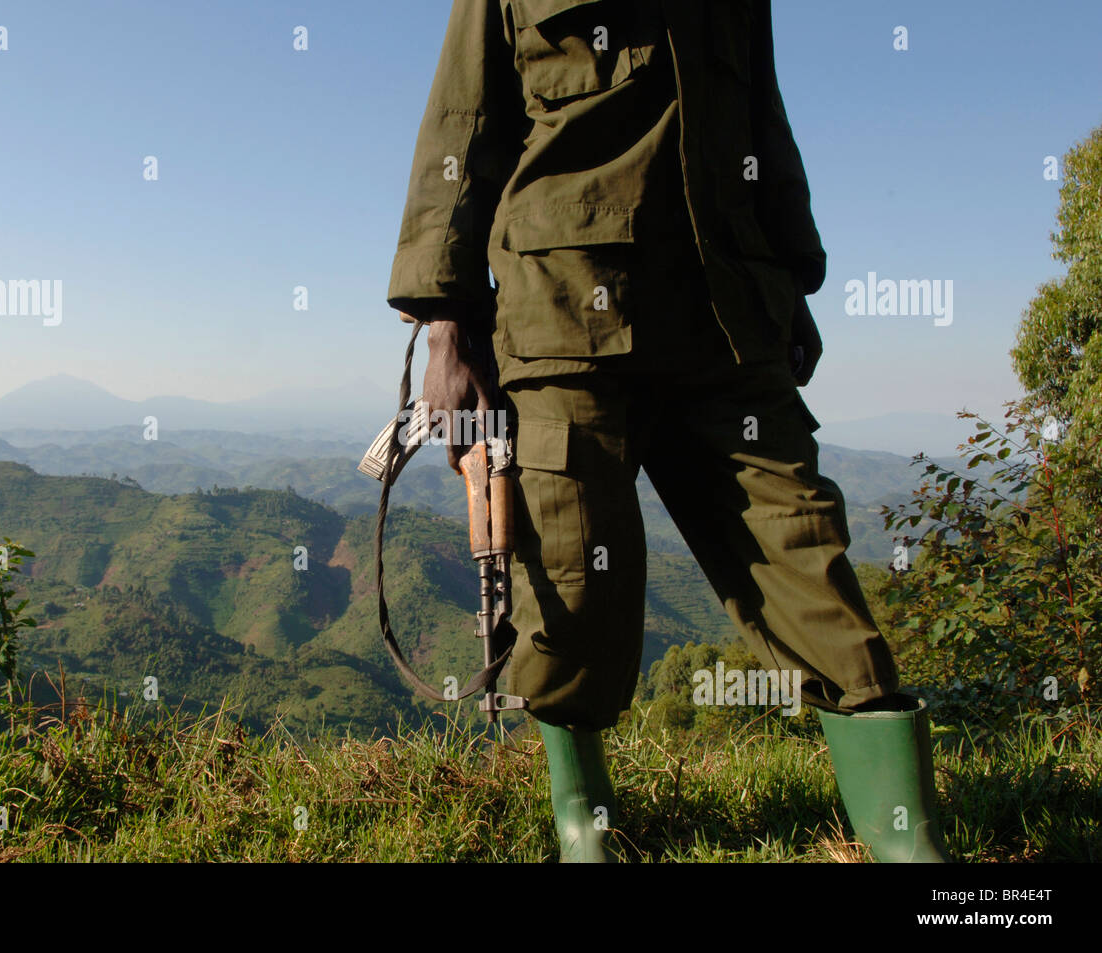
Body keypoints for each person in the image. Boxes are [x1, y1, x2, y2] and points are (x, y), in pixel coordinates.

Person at [386, 0, 951, 863]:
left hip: (725, 312)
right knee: (572, 585)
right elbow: (462, 124)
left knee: (805, 549)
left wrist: (791, 268)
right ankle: (586, 824)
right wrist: (447, 327)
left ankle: (911, 847)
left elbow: (761, 111)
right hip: (562, 310)